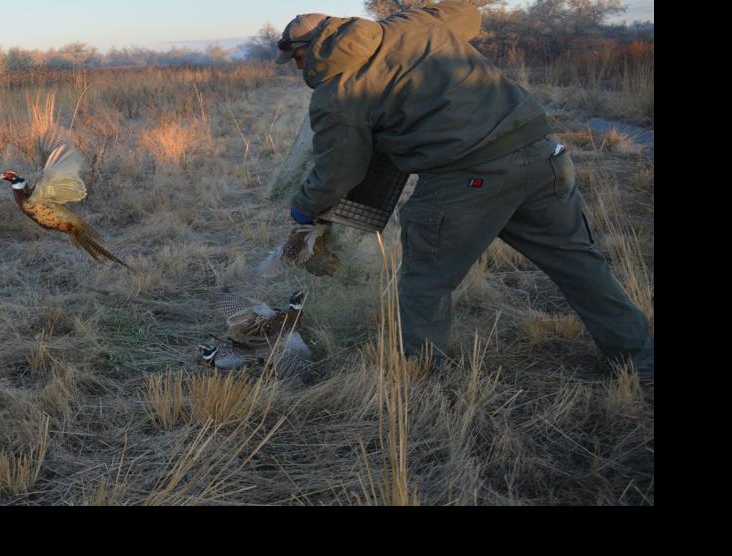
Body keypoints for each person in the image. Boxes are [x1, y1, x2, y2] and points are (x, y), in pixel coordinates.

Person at [276, 5, 654, 381]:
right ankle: (641, 360)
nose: (296, 67)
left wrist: (305, 208)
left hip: (466, 177)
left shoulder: (338, 91)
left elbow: (340, 171)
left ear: (312, 46)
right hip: (542, 154)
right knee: (580, 265)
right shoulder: (412, 23)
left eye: (296, 57)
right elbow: (468, 17)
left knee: (425, 283)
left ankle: (421, 378)